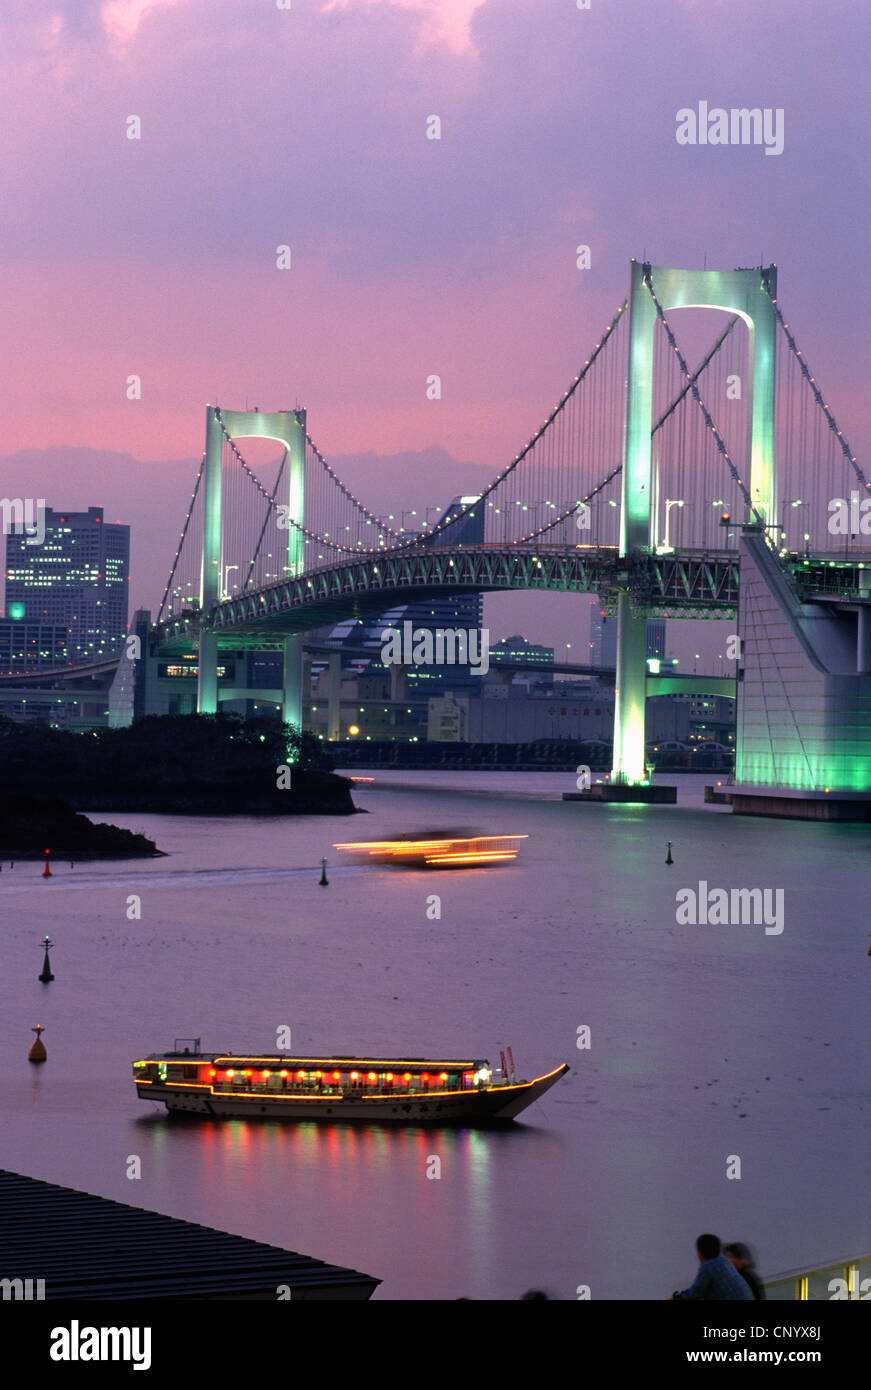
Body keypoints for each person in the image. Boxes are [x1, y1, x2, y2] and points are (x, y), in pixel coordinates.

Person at [671, 1233, 755, 1300]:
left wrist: (675, 1297)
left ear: (699, 1254)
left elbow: (694, 1293)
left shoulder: (708, 1267)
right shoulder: (725, 1262)